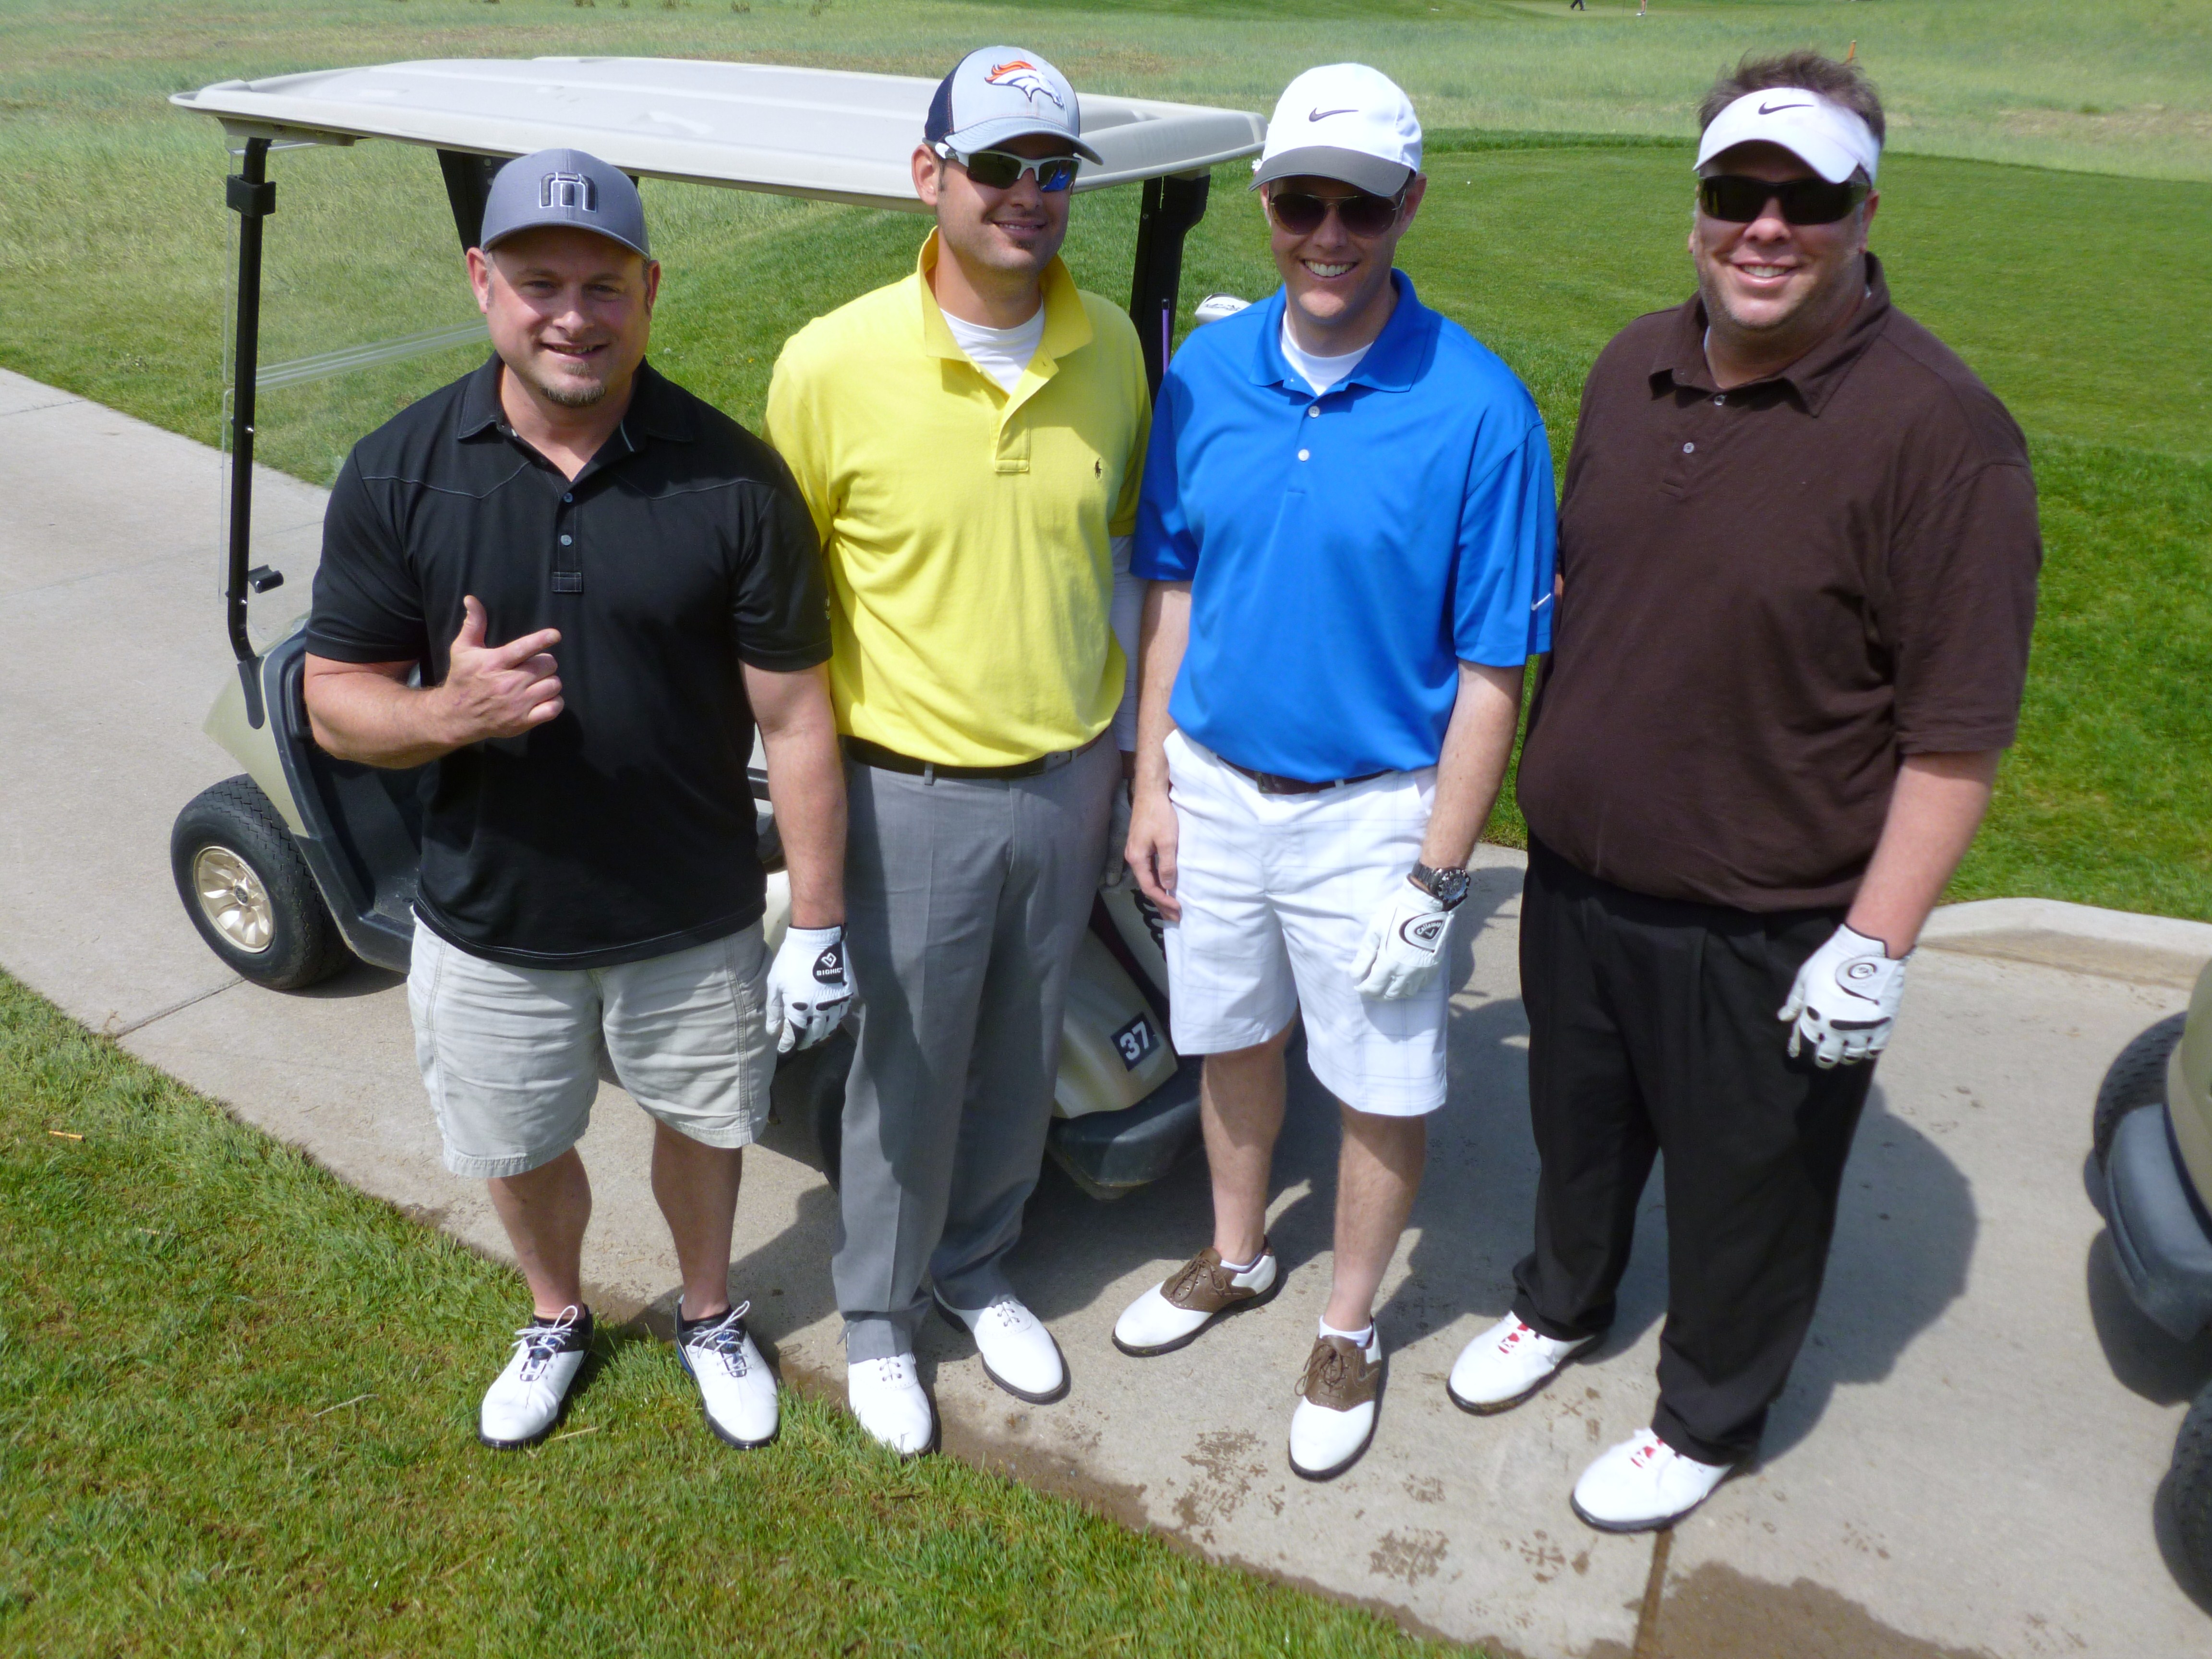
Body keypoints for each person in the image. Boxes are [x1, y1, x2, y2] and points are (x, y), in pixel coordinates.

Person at [1449, 51, 2041, 1531]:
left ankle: (1710, 1410)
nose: (1765, 228)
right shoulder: (1634, 362)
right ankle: (1562, 1303)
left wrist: (1877, 942)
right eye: (1735, 193)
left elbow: (1957, 733)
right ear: (1696, 209)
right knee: (1575, 1136)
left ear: (1865, 210)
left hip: (1772, 919)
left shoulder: (1945, 437)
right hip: (1582, 882)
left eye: (1807, 198)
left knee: (1748, 1191)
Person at [301, 150, 847, 1454]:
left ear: (649, 290)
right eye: (539, 281)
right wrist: (447, 714)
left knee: (704, 1126)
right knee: (520, 1137)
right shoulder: (402, 471)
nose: (572, 314)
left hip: (694, 910)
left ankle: (709, 1311)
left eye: (604, 285)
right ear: (482, 282)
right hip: (493, 915)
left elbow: (796, 714)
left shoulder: (731, 478)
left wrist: (817, 921)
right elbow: (333, 696)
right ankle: (555, 1315)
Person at [1115, 63, 1557, 1482]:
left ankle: (1350, 1322)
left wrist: (1441, 872)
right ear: (1265, 205)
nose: (1327, 232)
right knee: (1231, 1037)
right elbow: (1172, 590)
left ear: (1406, 206)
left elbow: (1495, 670)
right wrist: (1151, 786)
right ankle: (1238, 1256)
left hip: (1375, 812)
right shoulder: (1205, 376)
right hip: (1217, 788)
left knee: (1380, 1080)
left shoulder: (1481, 410)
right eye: (1300, 201)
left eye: (1358, 206)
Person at [765, 46, 1148, 1455]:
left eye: (1053, 172)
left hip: (1067, 775)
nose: (1029, 197)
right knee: (907, 1068)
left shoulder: (1109, 349)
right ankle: (877, 1315)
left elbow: (1108, 558)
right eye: (998, 168)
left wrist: (1118, 765)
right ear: (930, 176)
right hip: (905, 788)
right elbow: (779, 602)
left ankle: (976, 1266)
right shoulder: (831, 361)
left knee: (1016, 1051)